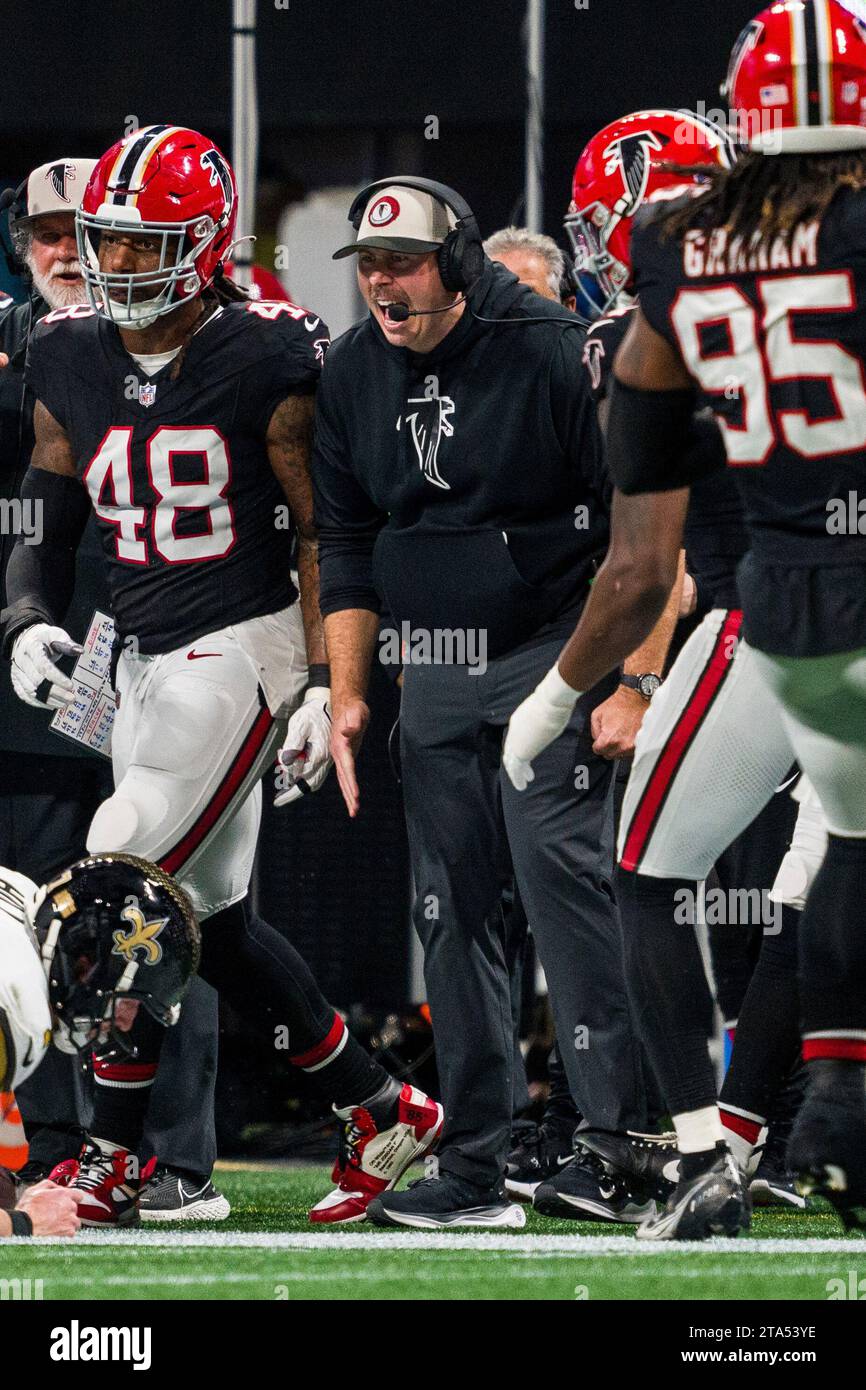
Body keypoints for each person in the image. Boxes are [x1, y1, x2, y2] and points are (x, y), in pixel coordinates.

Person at [1, 125, 443, 1227]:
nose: (117, 263)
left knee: (119, 861)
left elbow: (320, 529)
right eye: (106, 240)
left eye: (145, 243)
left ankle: (108, 1155)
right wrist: (19, 614)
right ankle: (382, 1107)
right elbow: (47, 505)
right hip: (137, 651)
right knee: (213, 922)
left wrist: (310, 679)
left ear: (200, 246)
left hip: (241, 644)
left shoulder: (270, 351)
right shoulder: (63, 349)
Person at [504, 0, 866, 1234]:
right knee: (842, 860)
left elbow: (638, 554)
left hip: (778, 607)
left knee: (665, 868)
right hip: (807, 600)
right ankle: (810, 1120)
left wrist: (562, 688)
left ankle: (721, 1151)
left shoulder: (675, 252)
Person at [314, 176, 682, 1229]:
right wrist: (344, 693)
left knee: (563, 896)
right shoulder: (350, 372)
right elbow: (341, 541)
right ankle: (475, 1165)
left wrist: (629, 677)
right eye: (370, 264)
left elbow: (646, 533)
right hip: (428, 664)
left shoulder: (552, 350)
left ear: (460, 260)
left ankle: (614, 1147)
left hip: (550, 650)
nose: (384, 281)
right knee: (450, 911)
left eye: (405, 260)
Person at [0, 157, 227, 1221]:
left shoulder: (211, 343)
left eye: (79, 229)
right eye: (50, 233)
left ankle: (171, 1153)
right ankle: (52, 1141)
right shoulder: (45, 349)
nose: (68, 252)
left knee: (164, 915)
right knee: (32, 927)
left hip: (157, 660)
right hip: (36, 669)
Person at [0, 853, 199, 1236]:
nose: (125, 1022)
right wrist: (25, 1224)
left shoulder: (20, 903)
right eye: (129, 1000)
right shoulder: (15, 999)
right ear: (86, 965)